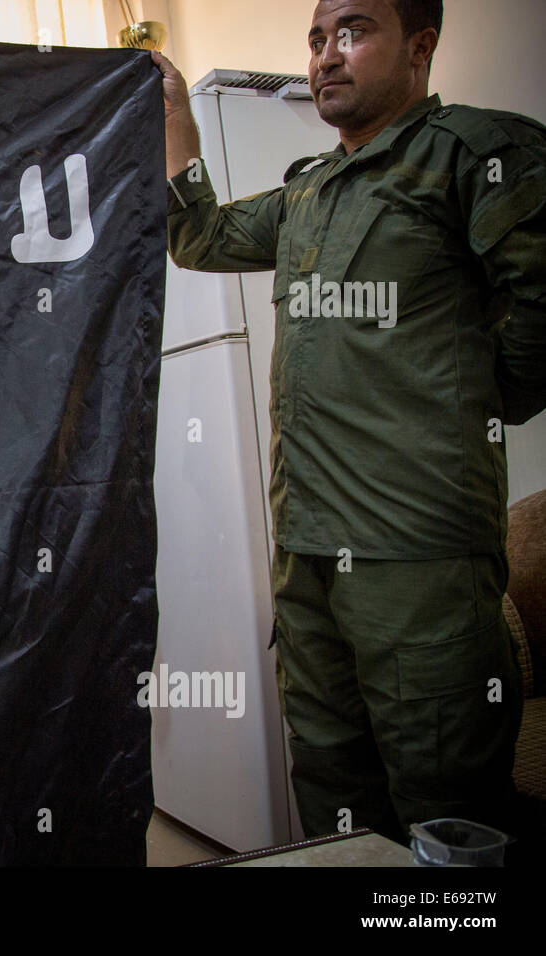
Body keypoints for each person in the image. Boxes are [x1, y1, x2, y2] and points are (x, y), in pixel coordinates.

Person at [152, 0, 546, 849]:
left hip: (418, 562)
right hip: (309, 560)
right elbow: (203, 237)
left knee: (448, 817)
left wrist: (477, 404)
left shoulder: (475, 153)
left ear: (421, 45)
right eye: (318, 38)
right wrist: (178, 115)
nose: (327, 55)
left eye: (355, 32)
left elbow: (542, 312)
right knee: (336, 802)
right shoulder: (307, 191)